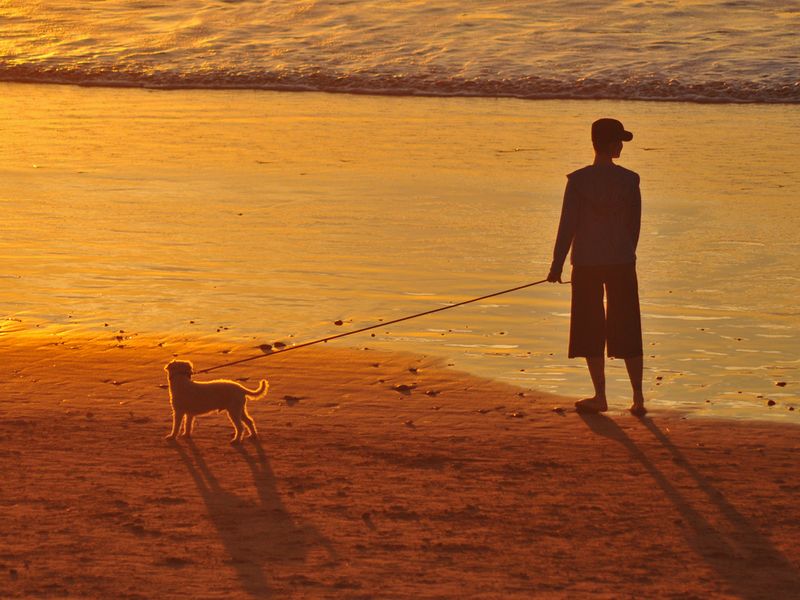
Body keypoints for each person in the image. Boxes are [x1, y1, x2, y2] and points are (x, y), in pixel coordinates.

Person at [547, 118, 646, 417]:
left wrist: (557, 264)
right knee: (628, 325)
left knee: (589, 327)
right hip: (621, 261)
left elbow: (568, 226)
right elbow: (634, 227)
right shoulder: (630, 180)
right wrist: (626, 252)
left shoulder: (578, 181)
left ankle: (600, 396)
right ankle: (638, 398)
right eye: (619, 142)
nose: (621, 147)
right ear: (610, 144)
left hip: (588, 262)